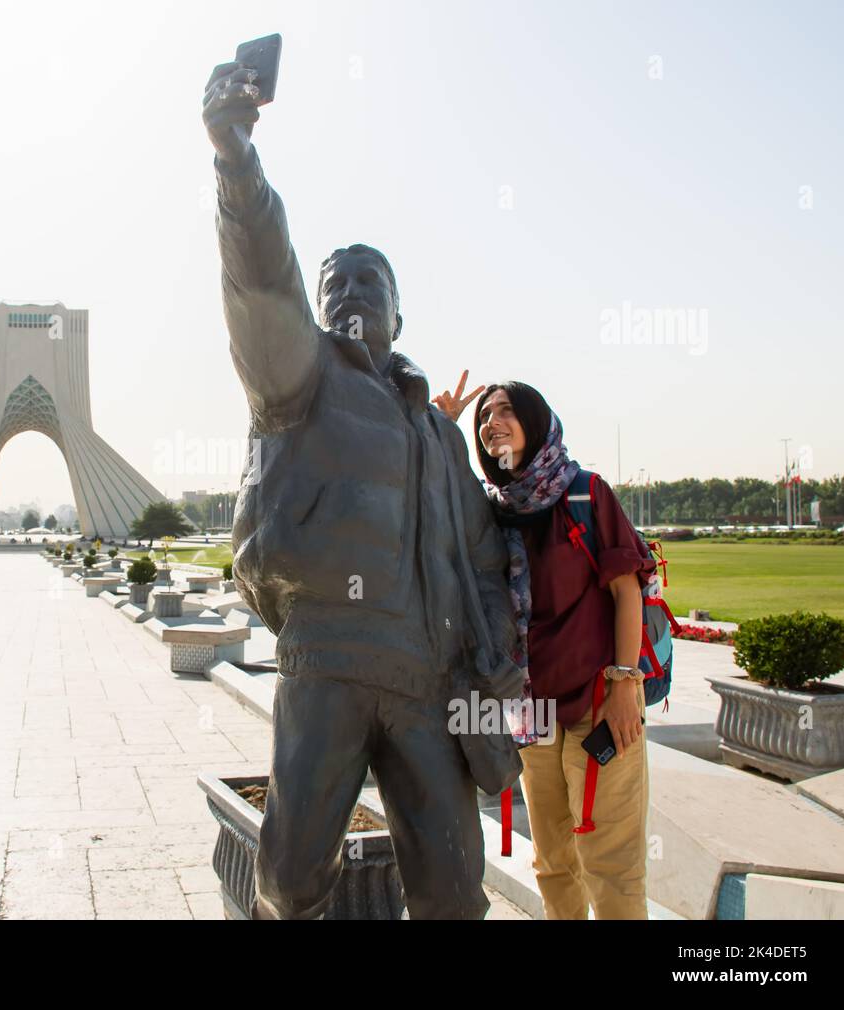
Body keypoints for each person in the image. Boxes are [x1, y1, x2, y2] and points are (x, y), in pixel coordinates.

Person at [203, 57, 524, 920]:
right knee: (289, 878)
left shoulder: (438, 435)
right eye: (334, 287)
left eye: (368, 286)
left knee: (455, 891)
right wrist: (236, 162)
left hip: (429, 679)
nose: (349, 296)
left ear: (399, 317)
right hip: (328, 658)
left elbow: (487, 559)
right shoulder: (300, 380)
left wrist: (494, 663)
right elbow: (264, 281)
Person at [435, 376, 654, 919]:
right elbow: (436, 499)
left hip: (601, 704)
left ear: (536, 422)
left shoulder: (585, 493)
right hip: (534, 713)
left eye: (506, 411)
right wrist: (440, 427)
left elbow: (628, 591)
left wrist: (626, 685)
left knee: (611, 867)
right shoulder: (495, 511)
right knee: (554, 864)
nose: (492, 423)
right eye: (485, 416)